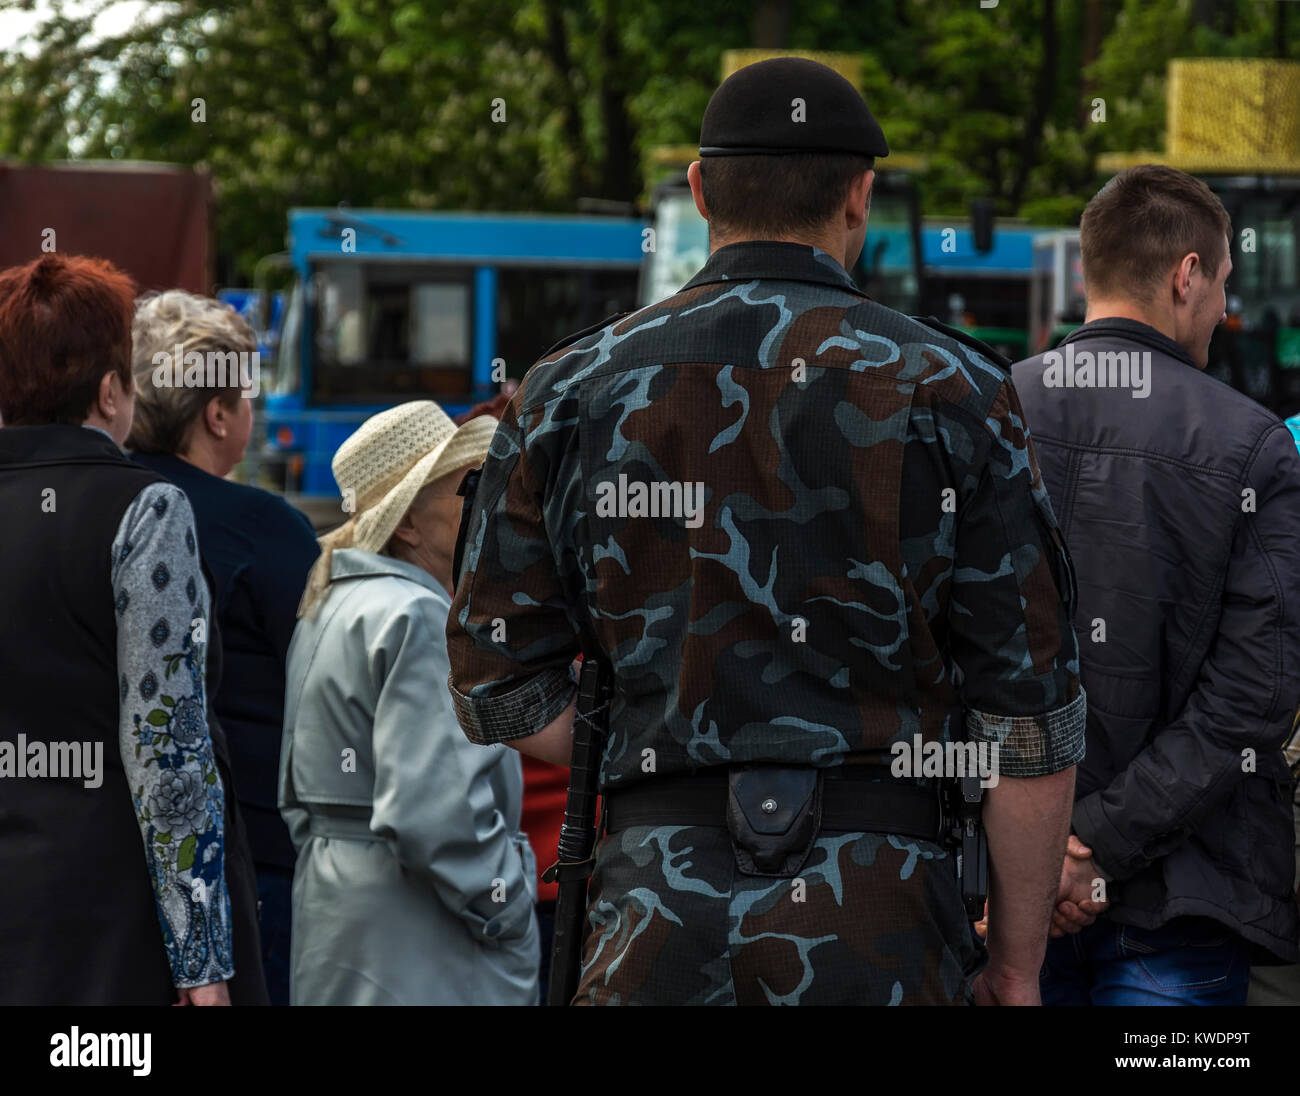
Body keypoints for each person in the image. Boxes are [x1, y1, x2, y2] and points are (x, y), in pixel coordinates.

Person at [447, 57, 1084, 1006]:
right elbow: (1028, 724)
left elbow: (495, 688)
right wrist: (1019, 966)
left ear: (700, 190)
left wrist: (646, 744)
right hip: (882, 921)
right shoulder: (957, 390)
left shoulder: (569, 391)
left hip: (650, 919)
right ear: (860, 196)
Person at [1011, 164, 1300, 1005]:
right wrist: (1091, 848)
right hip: (1184, 904)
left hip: (998, 894)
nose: (1223, 310)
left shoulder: (988, 413)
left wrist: (1035, 855)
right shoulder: (1252, 445)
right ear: (1187, 275)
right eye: (1222, 286)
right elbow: (1253, 699)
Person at [0, 254, 232, 1004]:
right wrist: (203, 965)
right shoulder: (145, 510)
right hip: (103, 926)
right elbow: (168, 748)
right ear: (110, 391)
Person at [279, 400, 539, 1005]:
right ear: (407, 525)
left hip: (340, 912)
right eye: (464, 487)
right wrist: (507, 905)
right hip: (421, 934)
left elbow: (298, 797)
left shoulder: (331, 603)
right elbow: (436, 814)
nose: (484, 503)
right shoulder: (417, 614)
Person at [128, 290, 319, 1005]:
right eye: (245, 397)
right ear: (216, 414)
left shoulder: (104, 507)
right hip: (257, 861)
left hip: (130, 858)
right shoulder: (266, 528)